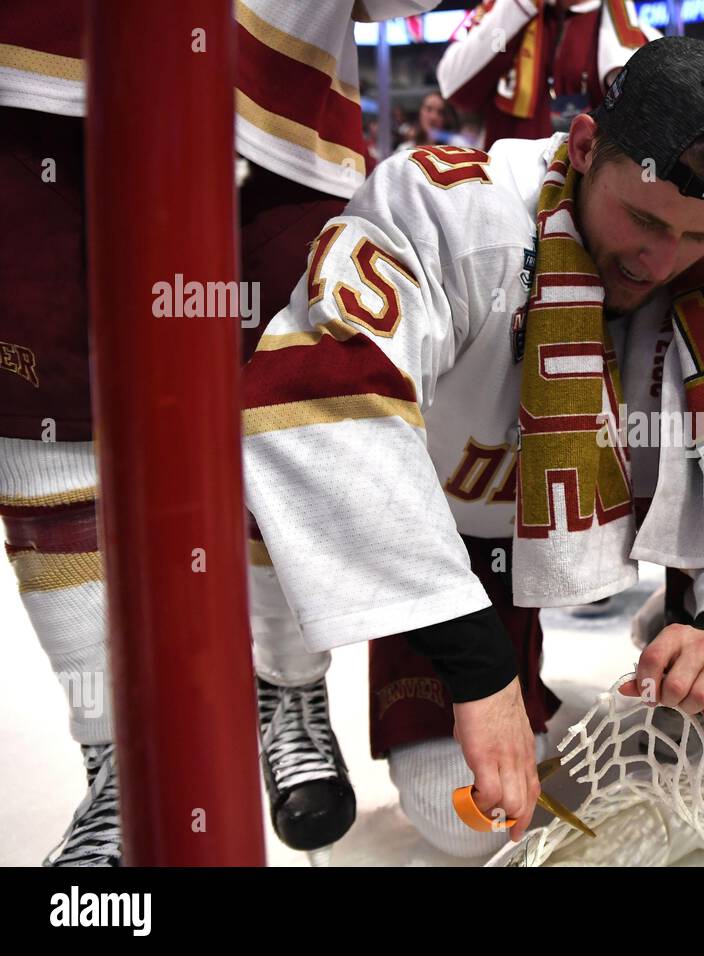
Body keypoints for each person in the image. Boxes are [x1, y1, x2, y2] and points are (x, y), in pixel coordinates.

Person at [240, 36, 704, 856]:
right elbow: (319, 398)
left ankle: (686, 633)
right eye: (643, 217)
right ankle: (285, 679)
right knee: (463, 823)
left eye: (694, 236)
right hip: (445, 547)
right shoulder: (444, 212)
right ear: (581, 146)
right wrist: (479, 669)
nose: (659, 259)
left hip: (577, 519)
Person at [0, 0, 440, 866]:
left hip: (274, 104)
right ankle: (117, 759)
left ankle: (288, 687)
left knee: (283, 417)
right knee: (39, 428)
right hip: (28, 74)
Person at [437, 0, 657, 150]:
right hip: (508, 194)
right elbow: (454, 86)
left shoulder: (635, 34)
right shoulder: (510, 10)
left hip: (584, 198)